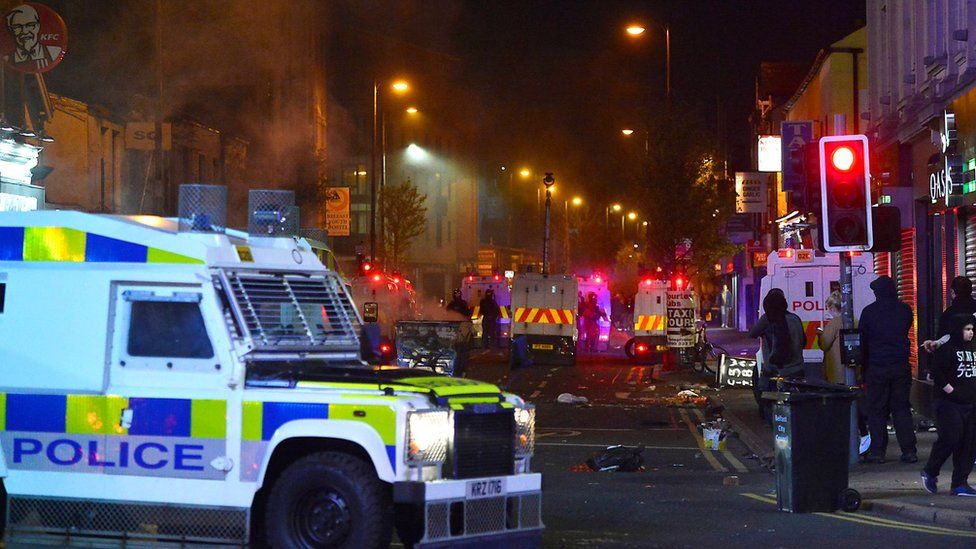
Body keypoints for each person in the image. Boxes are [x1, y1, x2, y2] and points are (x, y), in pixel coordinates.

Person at [859, 275, 918, 464]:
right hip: (900, 365)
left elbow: (862, 340)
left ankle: (878, 451)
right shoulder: (904, 310)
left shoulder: (869, 312)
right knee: (901, 408)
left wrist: (863, 369)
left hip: (876, 367)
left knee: (877, 409)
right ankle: (909, 451)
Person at [921, 316, 976, 496]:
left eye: (972, 329)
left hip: (970, 402)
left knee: (968, 443)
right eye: (967, 329)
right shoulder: (948, 349)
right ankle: (930, 470)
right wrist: (952, 391)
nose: (971, 332)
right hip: (948, 403)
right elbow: (938, 372)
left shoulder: (973, 347)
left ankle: (960, 483)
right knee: (952, 437)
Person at [748, 289, 806, 418]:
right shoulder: (795, 319)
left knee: (768, 403)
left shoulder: (768, 319)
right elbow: (804, 342)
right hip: (797, 369)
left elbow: (752, 333)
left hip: (776, 372)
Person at [922, 276, 976, 353]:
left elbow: (945, 338)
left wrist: (936, 343)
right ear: (971, 291)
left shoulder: (948, 314)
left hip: (956, 359)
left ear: (953, 292)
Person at [4, 4, 63, 71]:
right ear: (11, 30)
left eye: (30, 25)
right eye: (17, 27)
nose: (25, 31)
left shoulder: (54, 52)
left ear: (38, 26)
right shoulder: (7, 58)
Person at [818, 291, 845, 384]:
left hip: (837, 372)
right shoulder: (852, 320)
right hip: (853, 371)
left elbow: (824, 345)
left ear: (833, 308)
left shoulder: (834, 323)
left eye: (828, 308)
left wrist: (820, 335)